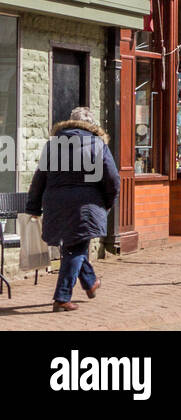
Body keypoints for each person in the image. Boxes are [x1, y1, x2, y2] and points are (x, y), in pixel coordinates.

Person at [25, 106, 120, 312]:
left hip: (55, 203)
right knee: (76, 248)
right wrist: (107, 202)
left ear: (70, 122)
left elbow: (39, 178)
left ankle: (90, 281)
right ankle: (62, 297)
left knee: (72, 246)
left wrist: (33, 206)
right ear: (91, 124)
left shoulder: (52, 146)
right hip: (85, 205)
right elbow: (112, 179)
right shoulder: (97, 144)